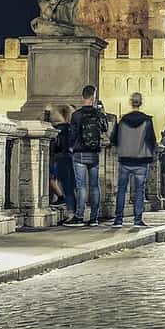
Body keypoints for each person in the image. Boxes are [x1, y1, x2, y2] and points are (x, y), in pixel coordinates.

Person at [110, 91, 156, 228]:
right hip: (141, 160)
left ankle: (118, 219)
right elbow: (151, 140)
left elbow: (114, 139)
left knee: (122, 190)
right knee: (139, 190)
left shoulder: (123, 120)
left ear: (131, 102)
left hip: (125, 159)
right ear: (140, 103)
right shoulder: (147, 120)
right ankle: (137, 219)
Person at [64, 85, 108, 226]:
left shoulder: (76, 115)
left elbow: (72, 134)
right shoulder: (98, 113)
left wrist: (71, 147)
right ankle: (94, 218)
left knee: (81, 186)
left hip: (80, 154)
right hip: (94, 154)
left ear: (83, 97)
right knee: (94, 186)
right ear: (93, 97)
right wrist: (102, 111)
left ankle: (79, 217)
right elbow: (105, 128)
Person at [50, 109, 76, 219]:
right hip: (71, 158)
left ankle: (67, 207)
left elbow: (56, 145)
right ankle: (72, 211)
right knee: (70, 187)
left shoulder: (59, 129)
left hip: (60, 158)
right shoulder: (71, 128)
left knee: (53, 180)